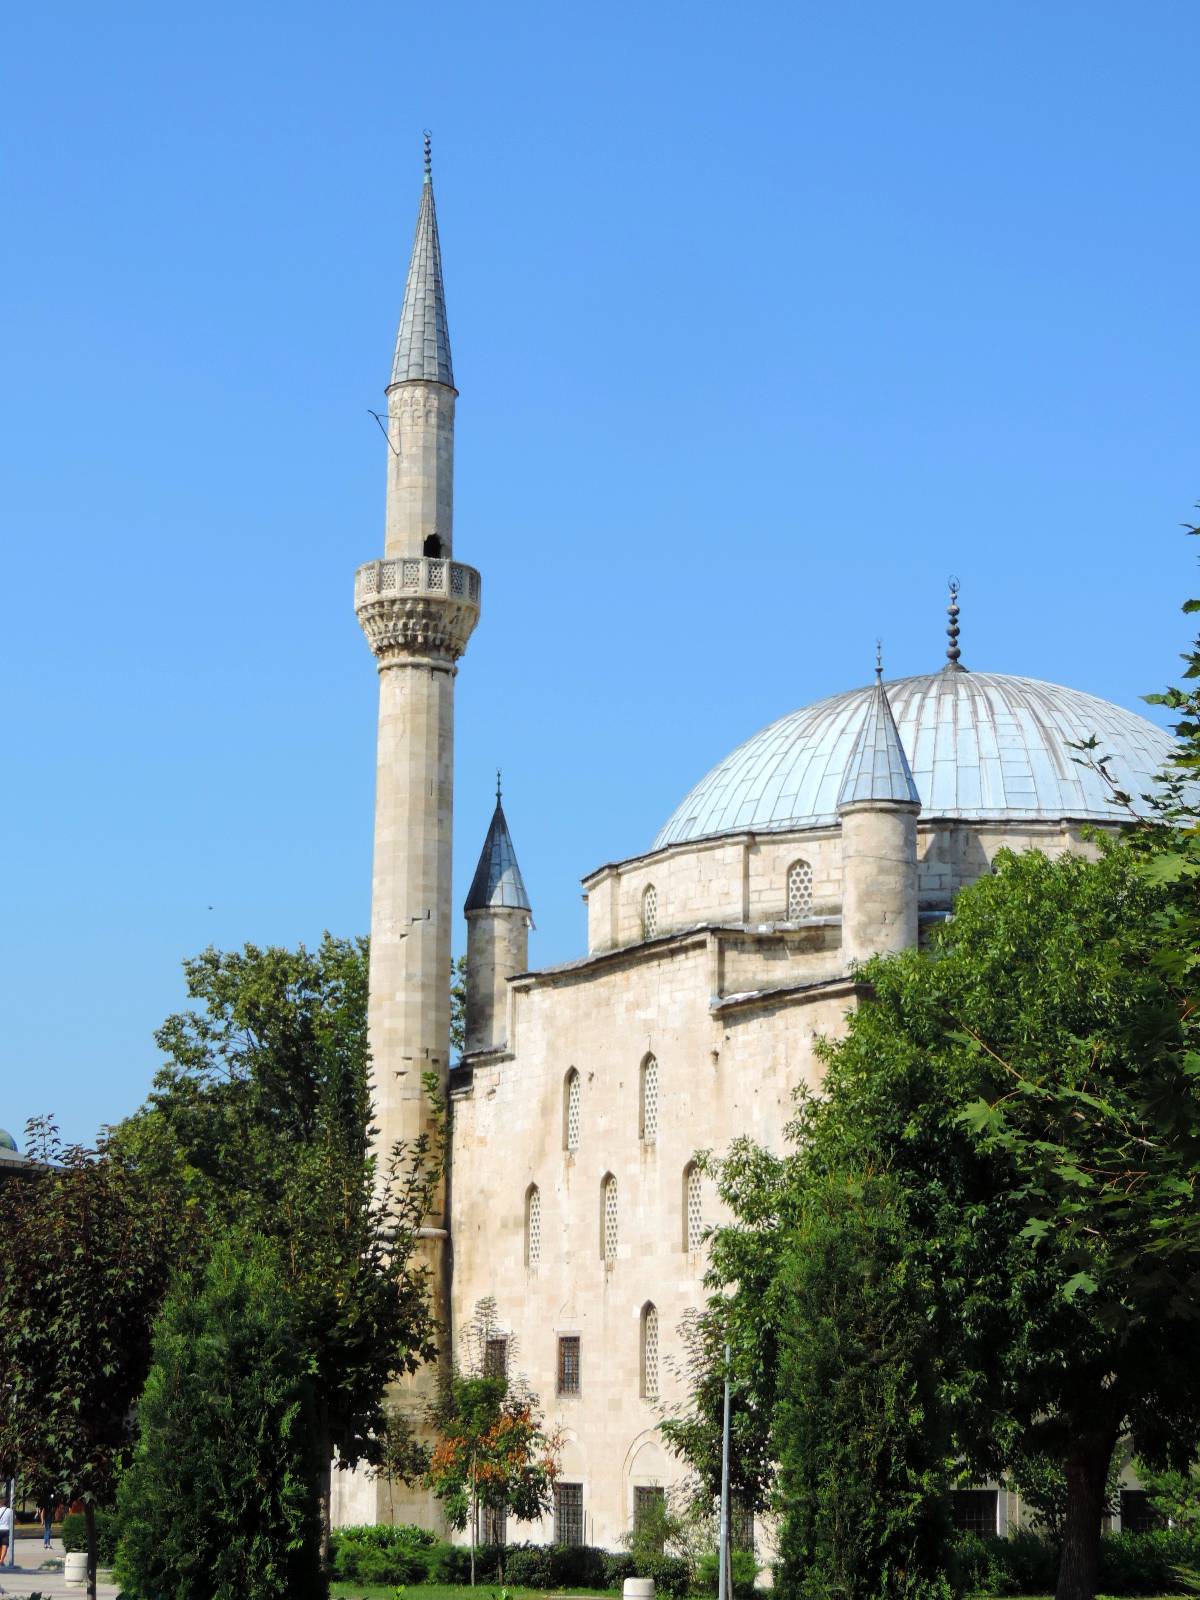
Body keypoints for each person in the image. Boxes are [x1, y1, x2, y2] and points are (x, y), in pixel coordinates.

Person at [0, 1496, 12, 1567]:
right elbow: (14, 1520)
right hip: (6, 1529)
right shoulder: (10, 1511)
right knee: (4, 1545)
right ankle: (1, 1560)